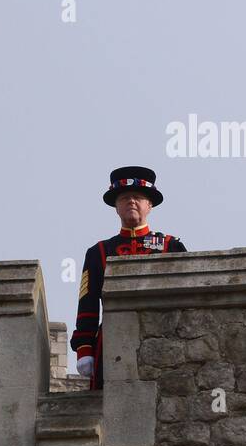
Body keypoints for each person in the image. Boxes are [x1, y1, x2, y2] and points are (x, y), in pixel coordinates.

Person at [71, 166, 186, 389]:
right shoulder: (99, 252)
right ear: (116, 207)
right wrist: (84, 347)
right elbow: (88, 304)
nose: (131, 202)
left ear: (149, 205)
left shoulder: (171, 246)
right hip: (112, 342)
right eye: (124, 198)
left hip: (163, 337)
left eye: (138, 197)